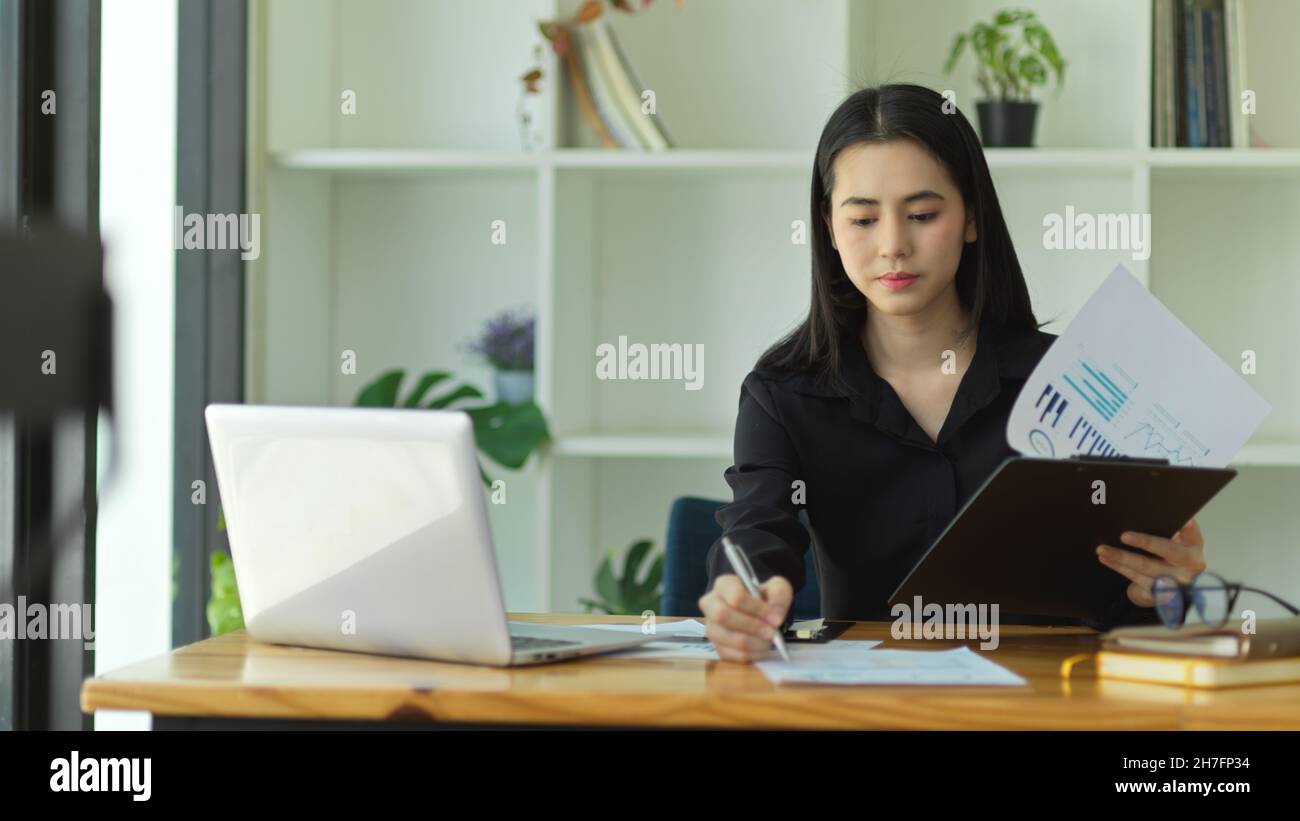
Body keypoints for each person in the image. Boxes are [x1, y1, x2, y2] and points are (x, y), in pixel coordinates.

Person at [698, 84, 1207, 664]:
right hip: (868, 713)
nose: (893, 245)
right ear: (829, 227)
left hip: (1051, 709)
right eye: (863, 218)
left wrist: (1163, 589)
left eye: (922, 214)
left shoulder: (1075, 380)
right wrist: (741, 597)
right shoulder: (782, 397)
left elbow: (1122, 607)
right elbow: (756, 534)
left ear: (970, 217)